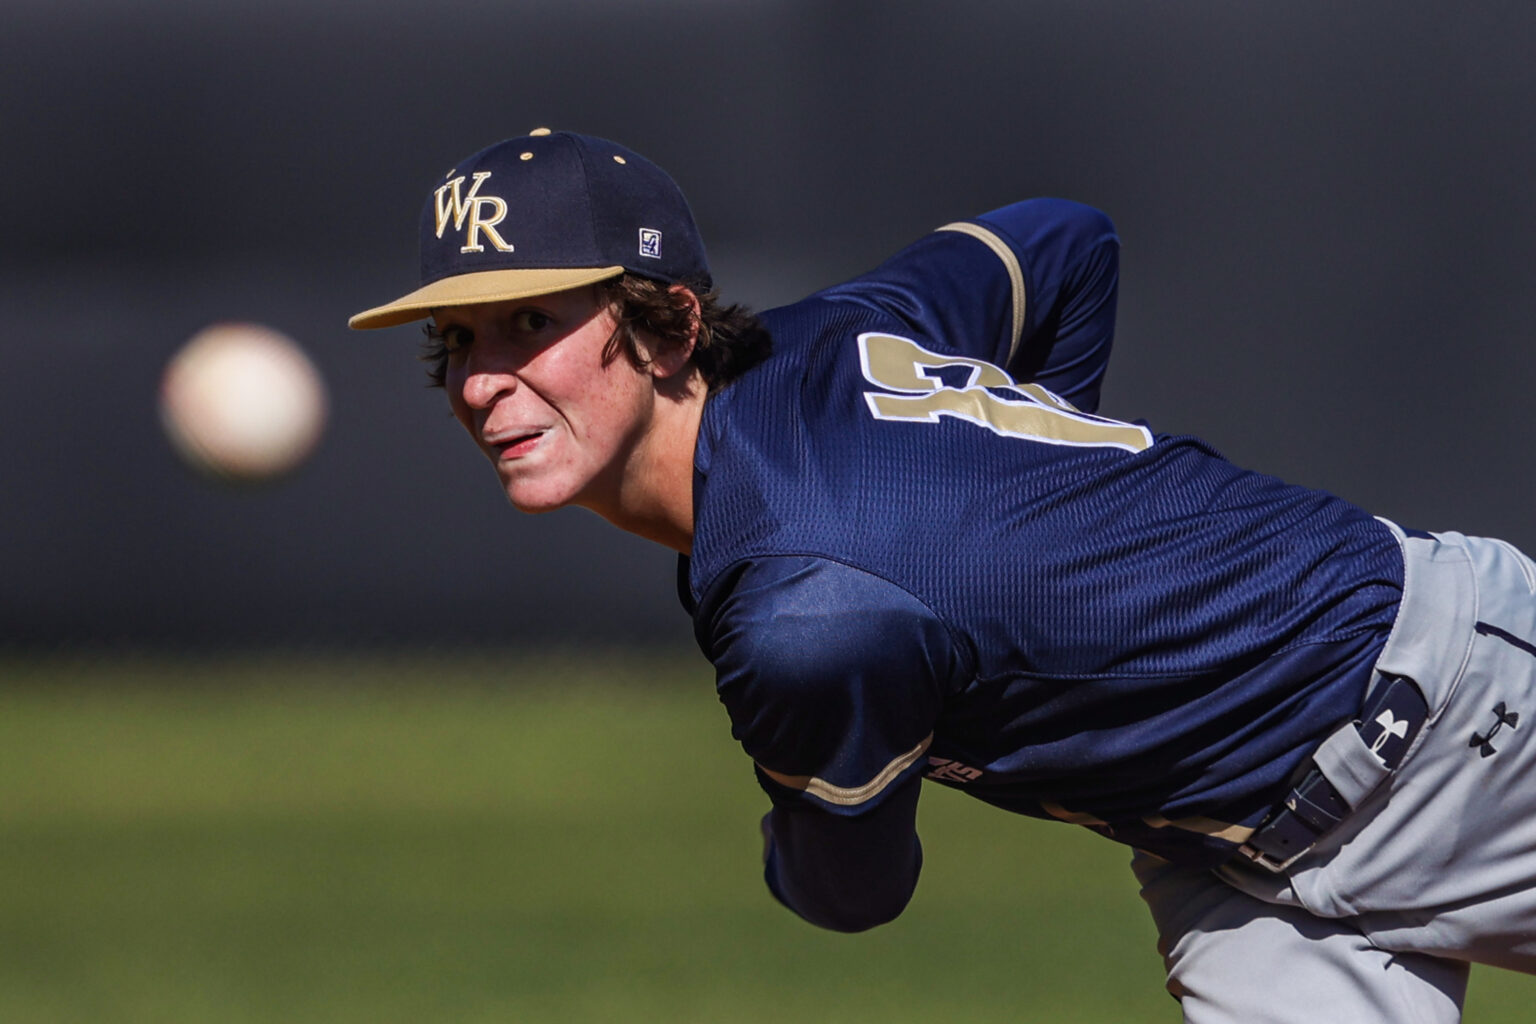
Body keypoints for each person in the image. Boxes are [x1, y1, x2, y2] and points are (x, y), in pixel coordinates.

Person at [351, 128, 1536, 1022]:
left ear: (662, 319)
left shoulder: (804, 607)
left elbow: (851, 890)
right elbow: (1062, 238)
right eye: (457, 341)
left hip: (1458, 726)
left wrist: (1030, 510)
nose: (478, 379)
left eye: (526, 322)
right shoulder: (858, 329)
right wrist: (1032, 496)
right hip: (1235, 867)